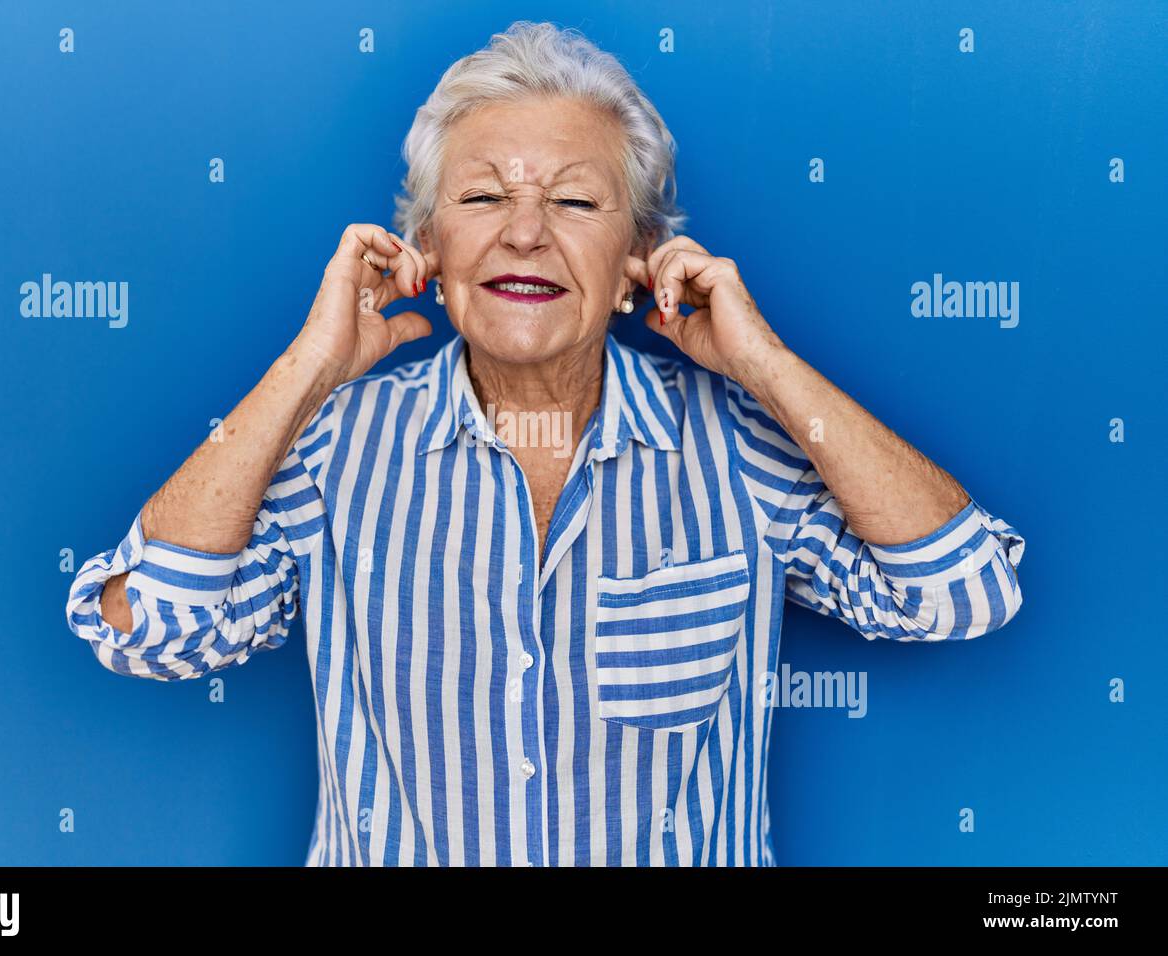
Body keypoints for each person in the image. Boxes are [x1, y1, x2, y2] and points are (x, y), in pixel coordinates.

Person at [66, 20, 1024, 866]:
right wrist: (310, 367)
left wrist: (765, 363)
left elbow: (961, 593)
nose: (525, 233)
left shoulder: (739, 446)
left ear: (635, 263)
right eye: (482, 199)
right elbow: (147, 630)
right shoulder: (336, 448)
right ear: (427, 252)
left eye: (574, 203)